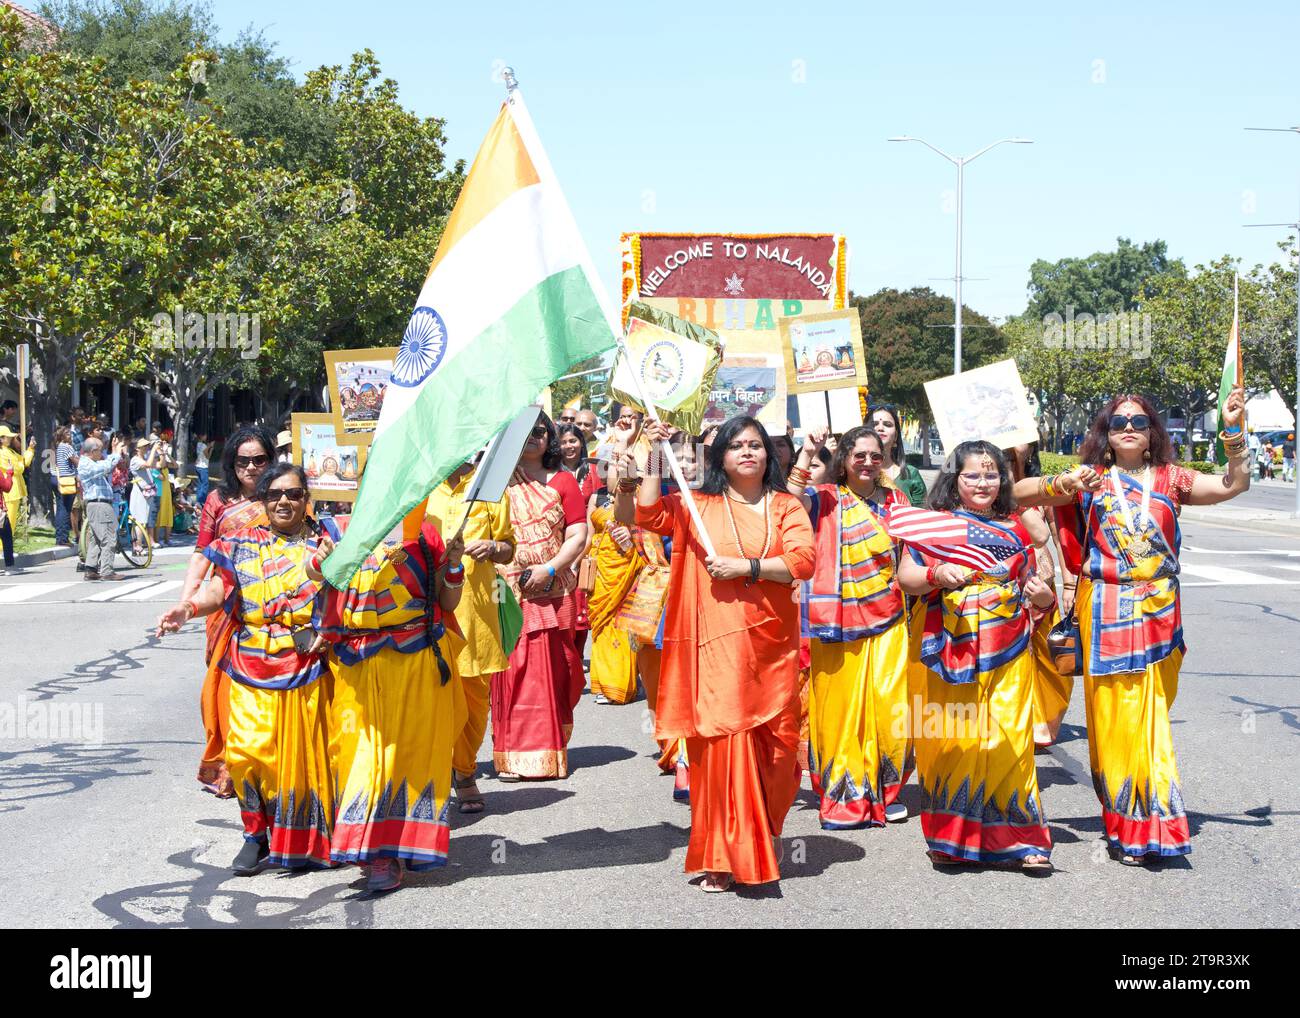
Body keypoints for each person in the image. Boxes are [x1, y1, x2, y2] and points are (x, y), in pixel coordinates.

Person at [1016, 389, 1252, 865]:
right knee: (1114, 723)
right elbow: (1018, 494)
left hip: (1161, 611)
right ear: (1106, 432)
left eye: (1139, 422)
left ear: (1151, 435)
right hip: (1105, 608)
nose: (1128, 426)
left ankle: (1150, 821)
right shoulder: (1093, 479)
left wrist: (1233, 431)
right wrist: (1066, 481)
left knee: (1152, 720)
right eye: (1119, 420)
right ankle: (1133, 825)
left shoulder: (1172, 479)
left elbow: (1234, 484)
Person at [633, 415, 815, 892]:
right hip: (717, 649)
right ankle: (721, 855)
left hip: (773, 651)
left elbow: (803, 561)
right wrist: (655, 450)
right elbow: (648, 514)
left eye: (755, 444)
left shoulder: (786, 506)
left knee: (779, 756)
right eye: (736, 446)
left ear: (769, 454)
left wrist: (747, 566)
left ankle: (764, 829)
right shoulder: (699, 506)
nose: (747, 452)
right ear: (722, 457)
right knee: (721, 750)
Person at [157, 464, 335, 875]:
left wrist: (327, 628)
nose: (283, 502)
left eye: (292, 494)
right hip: (250, 660)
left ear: (307, 498)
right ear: (263, 501)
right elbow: (220, 589)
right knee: (246, 753)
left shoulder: (329, 544)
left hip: (307, 663)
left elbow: (348, 595)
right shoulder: (239, 543)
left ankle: (305, 841)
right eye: (274, 495)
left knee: (302, 758)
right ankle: (255, 835)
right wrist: (187, 607)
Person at [897, 441, 1057, 872]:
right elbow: (906, 576)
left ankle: (1022, 840)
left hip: (1009, 646)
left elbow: (1038, 584)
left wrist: (1042, 596)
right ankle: (952, 839)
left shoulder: (1017, 528)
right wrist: (935, 574)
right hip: (953, 646)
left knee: (1010, 741)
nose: (983, 483)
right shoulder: (936, 527)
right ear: (955, 479)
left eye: (991, 474)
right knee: (957, 739)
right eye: (972, 475)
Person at [310, 506, 469, 892]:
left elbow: (447, 604)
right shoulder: (340, 529)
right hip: (356, 664)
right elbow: (314, 572)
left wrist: (453, 564)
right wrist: (328, 561)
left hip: (416, 659)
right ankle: (373, 848)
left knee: (410, 759)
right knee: (358, 757)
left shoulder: (424, 532)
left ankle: (393, 851)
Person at [788, 424, 913, 829]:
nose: (867, 462)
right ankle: (847, 793)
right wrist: (807, 454)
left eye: (875, 456)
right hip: (837, 623)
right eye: (858, 455)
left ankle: (884, 788)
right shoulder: (824, 499)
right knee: (840, 711)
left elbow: (916, 550)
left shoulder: (897, 499)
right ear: (843, 459)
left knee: (889, 705)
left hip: (890, 616)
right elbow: (786, 504)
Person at [176, 425, 275, 797]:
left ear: (270, 460)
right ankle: (230, 768)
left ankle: (266, 765)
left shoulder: (284, 495)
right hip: (226, 609)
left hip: (274, 610)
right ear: (231, 464)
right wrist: (187, 601)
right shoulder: (219, 501)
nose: (250, 468)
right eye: (242, 461)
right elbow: (202, 552)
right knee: (222, 693)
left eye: (259, 460)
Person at [492, 412, 589, 780]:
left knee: (557, 670)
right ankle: (512, 756)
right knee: (512, 671)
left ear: (550, 438)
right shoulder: (497, 482)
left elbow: (577, 535)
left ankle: (550, 749)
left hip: (552, 589)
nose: (534, 437)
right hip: (506, 589)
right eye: (526, 431)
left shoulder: (563, 481)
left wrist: (549, 569)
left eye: (541, 431)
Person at [426, 459, 517, 813]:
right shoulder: (420, 485)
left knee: (474, 707)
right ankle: (431, 777)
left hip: (475, 614)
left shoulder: (490, 487)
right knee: (433, 701)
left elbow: (509, 548)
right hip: (429, 611)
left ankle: (464, 772)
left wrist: (492, 548)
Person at [584, 450, 668, 706]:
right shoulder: (597, 499)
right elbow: (588, 535)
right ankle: (604, 683)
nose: (614, 472)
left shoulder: (645, 498)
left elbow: (650, 538)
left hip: (631, 570)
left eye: (619, 468)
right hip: (603, 570)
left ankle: (620, 686)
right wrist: (579, 564)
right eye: (610, 468)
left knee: (622, 625)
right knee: (602, 624)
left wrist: (632, 545)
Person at [76, 435, 129, 581]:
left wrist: (114, 451)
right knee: (108, 536)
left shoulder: (91, 461)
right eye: (100, 450)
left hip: (99, 503)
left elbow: (106, 463)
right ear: (93, 451)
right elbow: (105, 466)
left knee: (96, 538)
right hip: (99, 504)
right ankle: (107, 570)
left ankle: (91, 568)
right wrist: (116, 454)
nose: (102, 453)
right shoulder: (86, 463)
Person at [870, 403, 927, 507]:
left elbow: (921, 517)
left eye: (887, 424)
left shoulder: (910, 474)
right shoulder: (856, 473)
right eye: (874, 424)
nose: (880, 428)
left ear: (896, 436)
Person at [0, 426, 34, 544]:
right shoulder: (2, 452)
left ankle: (5, 548)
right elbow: (17, 469)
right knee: (6, 523)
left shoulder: (10, 451)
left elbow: (24, 462)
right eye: (7, 437)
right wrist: (19, 465)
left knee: (11, 522)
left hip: (14, 490)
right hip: (8, 491)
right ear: (1, 439)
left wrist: (30, 449)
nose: (10, 439)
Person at [129, 438, 161, 544]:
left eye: (147, 446)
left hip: (147, 494)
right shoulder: (135, 460)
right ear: (137, 448)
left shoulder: (145, 458)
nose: (146, 448)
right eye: (144, 446)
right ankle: (137, 546)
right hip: (139, 494)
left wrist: (163, 452)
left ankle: (138, 545)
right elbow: (148, 464)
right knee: (139, 521)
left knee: (143, 521)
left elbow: (160, 465)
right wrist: (153, 450)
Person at [54, 425, 79, 546]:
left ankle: (60, 537)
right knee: (65, 509)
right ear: (62, 436)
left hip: (60, 480)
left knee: (60, 509)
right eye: (68, 433)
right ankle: (63, 538)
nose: (71, 436)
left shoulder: (59, 447)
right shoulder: (67, 447)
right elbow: (76, 462)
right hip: (67, 480)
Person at [155, 429, 177, 546]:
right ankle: (157, 540)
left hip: (167, 487)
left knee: (168, 511)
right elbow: (162, 464)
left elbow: (175, 465)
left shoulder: (166, 452)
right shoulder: (156, 466)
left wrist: (167, 454)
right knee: (160, 513)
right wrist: (162, 452)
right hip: (159, 488)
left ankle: (167, 539)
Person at [556, 422, 591, 488]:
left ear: (582, 443)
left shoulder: (592, 470)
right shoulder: (552, 472)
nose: (568, 446)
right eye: (563, 443)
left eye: (572, 441)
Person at [194, 432, 211, 507]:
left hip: (198, 466)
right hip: (203, 466)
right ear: (202, 436)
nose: (206, 437)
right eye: (205, 435)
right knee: (205, 485)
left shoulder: (198, 444)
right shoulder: (204, 445)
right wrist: (210, 447)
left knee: (200, 484)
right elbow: (207, 456)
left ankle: (198, 501)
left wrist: (209, 448)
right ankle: (201, 501)